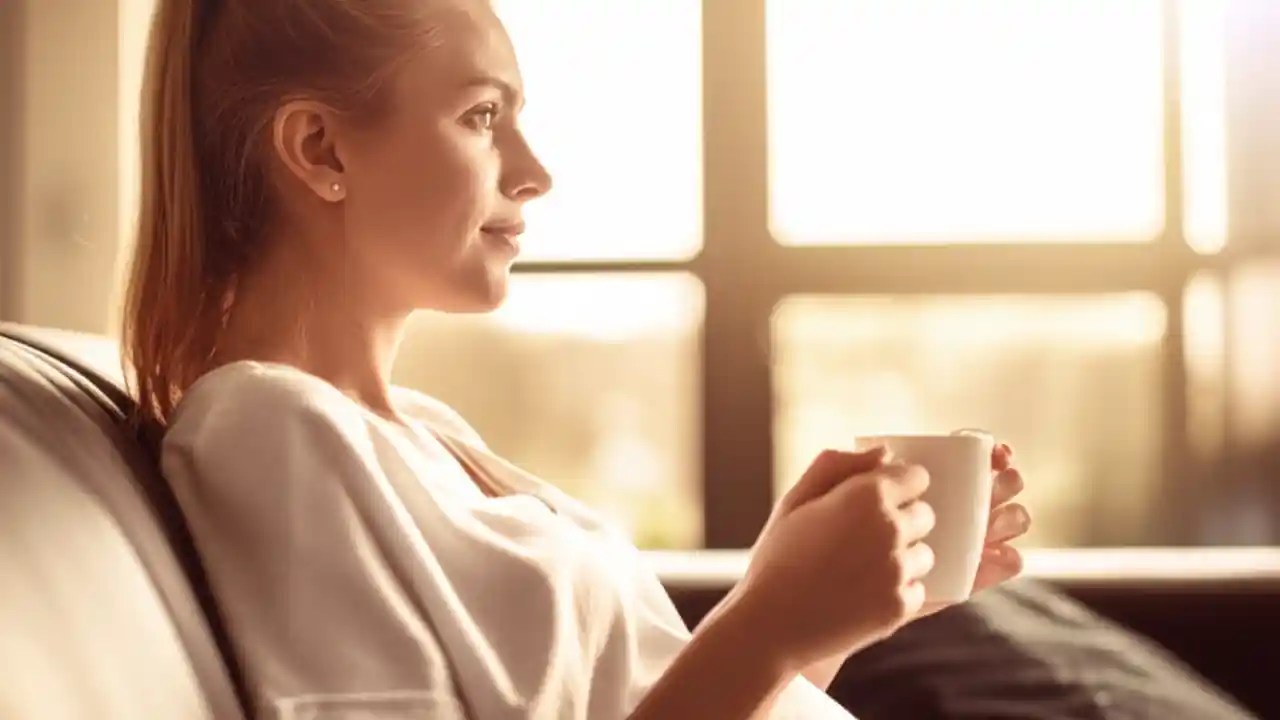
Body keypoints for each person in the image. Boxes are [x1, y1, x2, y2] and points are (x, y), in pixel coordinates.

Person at [122, 1, 1032, 718]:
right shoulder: (268, 432)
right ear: (321, 149)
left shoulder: (422, 432)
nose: (533, 170)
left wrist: (826, 614)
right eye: (482, 115)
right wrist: (767, 627)